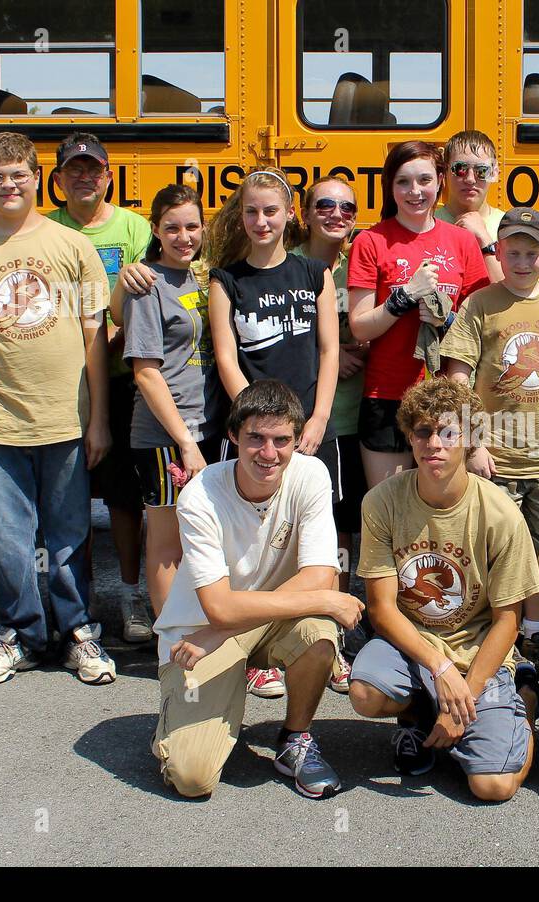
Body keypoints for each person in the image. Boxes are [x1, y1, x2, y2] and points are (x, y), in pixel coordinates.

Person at [0, 131, 115, 687]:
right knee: (10, 540)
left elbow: (93, 337)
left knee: (68, 537)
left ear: (39, 179)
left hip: (63, 418)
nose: (8, 185)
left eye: (19, 175)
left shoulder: (72, 246)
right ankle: (19, 634)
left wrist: (98, 418)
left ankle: (78, 631)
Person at [152, 380, 363, 799]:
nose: (269, 454)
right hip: (195, 632)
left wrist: (225, 628)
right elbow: (217, 607)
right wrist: (323, 598)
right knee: (192, 779)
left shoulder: (311, 473)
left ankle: (295, 740)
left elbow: (322, 574)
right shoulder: (199, 497)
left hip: (222, 632)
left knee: (318, 632)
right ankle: (186, 713)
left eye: (282, 440)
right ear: (232, 435)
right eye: (256, 439)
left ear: (296, 439)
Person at [348, 377, 539, 803]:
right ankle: (422, 718)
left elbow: (510, 621)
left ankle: (519, 709)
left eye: (448, 432)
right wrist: (440, 668)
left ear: (470, 439)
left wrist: (466, 692)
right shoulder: (381, 502)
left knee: (493, 787)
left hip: (478, 647)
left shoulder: (501, 514)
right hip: (414, 645)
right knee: (363, 690)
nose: (433, 442)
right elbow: (381, 609)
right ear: (410, 437)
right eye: (422, 431)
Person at [440, 207, 539, 682]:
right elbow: (458, 376)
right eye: (512, 252)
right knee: (494, 552)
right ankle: (496, 634)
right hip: (497, 457)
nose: (521, 261)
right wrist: (472, 443)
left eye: (531, 252)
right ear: (498, 252)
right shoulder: (481, 304)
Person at [48, 132, 154, 644]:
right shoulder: (46, 229)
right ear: (60, 178)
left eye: (93, 169)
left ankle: (133, 595)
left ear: (110, 175)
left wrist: (105, 345)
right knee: (62, 496)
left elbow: (144, 302)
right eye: (74, 170)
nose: (84, 177)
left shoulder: (133, 228)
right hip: (60, 380)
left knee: (125, 498)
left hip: (121, 379)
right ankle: (69, 599)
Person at [348, 141, 489, 487]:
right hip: (387, 395)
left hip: (448, 394)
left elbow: (481, 326)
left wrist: (448, 320)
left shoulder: (462, 242)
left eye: (424, 180)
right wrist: (405, 297)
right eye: (403, 182)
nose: (415, 191)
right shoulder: (371, 241)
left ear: (440, 181)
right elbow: (360, 327)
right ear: (390, 187)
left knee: (443, 510)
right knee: (387, 510)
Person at [121, 184, 225, 616]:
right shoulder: (147, 284)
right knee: (168, 544)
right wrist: (184, 441)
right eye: (173, 228)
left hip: (208, 426)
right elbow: (145, 371)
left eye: (192, 226)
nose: (184, 237)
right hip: (167, 435)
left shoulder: (199, 278)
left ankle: (196, 626)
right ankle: (169, 643)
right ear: (155, 230)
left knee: (201, 536)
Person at [205, 168, 340, 497]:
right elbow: (226, 359)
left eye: (270, 211)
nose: (261, 221)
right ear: (241, 216)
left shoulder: (315, 273)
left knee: (314, 528)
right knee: (248, 527)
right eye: (251, 211)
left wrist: (319, 418)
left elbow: (329, 351)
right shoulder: (225, 280)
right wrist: (257, 424)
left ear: (290, 214)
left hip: (309, 428)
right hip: (253, 432)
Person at [290, 174, 371, 670]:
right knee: (313, 529)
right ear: (306, 211)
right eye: (324, 204)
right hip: (314, 417)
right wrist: (331, 353)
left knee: (349, 527)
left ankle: (341, 623)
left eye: (346, 207)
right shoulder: (289, 259)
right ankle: (308, 626)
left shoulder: (361, 260)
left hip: (363, 410)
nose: (335, 214)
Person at [436, 130, 505, 283]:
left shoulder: (509, 225)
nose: (470, 179)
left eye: (481, 171)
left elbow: (515, 294)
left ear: (494, 173)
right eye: (460, 169)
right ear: (445, 170)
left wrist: (484, 239)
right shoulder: (427, 225)